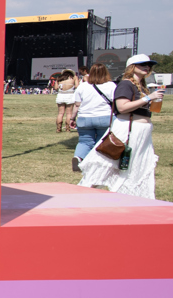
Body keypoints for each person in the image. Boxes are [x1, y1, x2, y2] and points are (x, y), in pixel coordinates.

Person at [79, 54, 164, 198]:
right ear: (132, 67)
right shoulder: (126, 84)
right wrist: (149, 98)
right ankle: (82, 194)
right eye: (142, 64)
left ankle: (132, 197)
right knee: (107, 163)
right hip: (128, 130)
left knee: (134, 167)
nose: (147, 67)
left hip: (141, 132)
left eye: (149, 65)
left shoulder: (141, 86)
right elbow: (122, 107)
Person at [70, 63, 116, 173]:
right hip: (105, 117)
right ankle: (97, 163)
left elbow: (77, 105)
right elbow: (116, 103)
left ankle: (78, 157)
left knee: (84, 142)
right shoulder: (111, 86)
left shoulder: (83, 86)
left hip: (84, 118)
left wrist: (72, 118)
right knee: (102, 142)